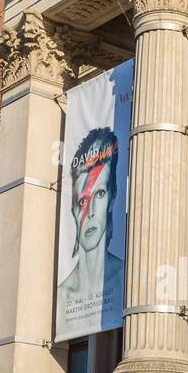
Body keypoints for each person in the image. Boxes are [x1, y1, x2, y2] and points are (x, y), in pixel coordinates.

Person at [57, 128, 124, 328]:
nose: (91, 212)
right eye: (83, 200)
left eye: (100, 194)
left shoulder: (128, 281)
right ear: (73, 210)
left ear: (112, 199)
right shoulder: (61, 296)